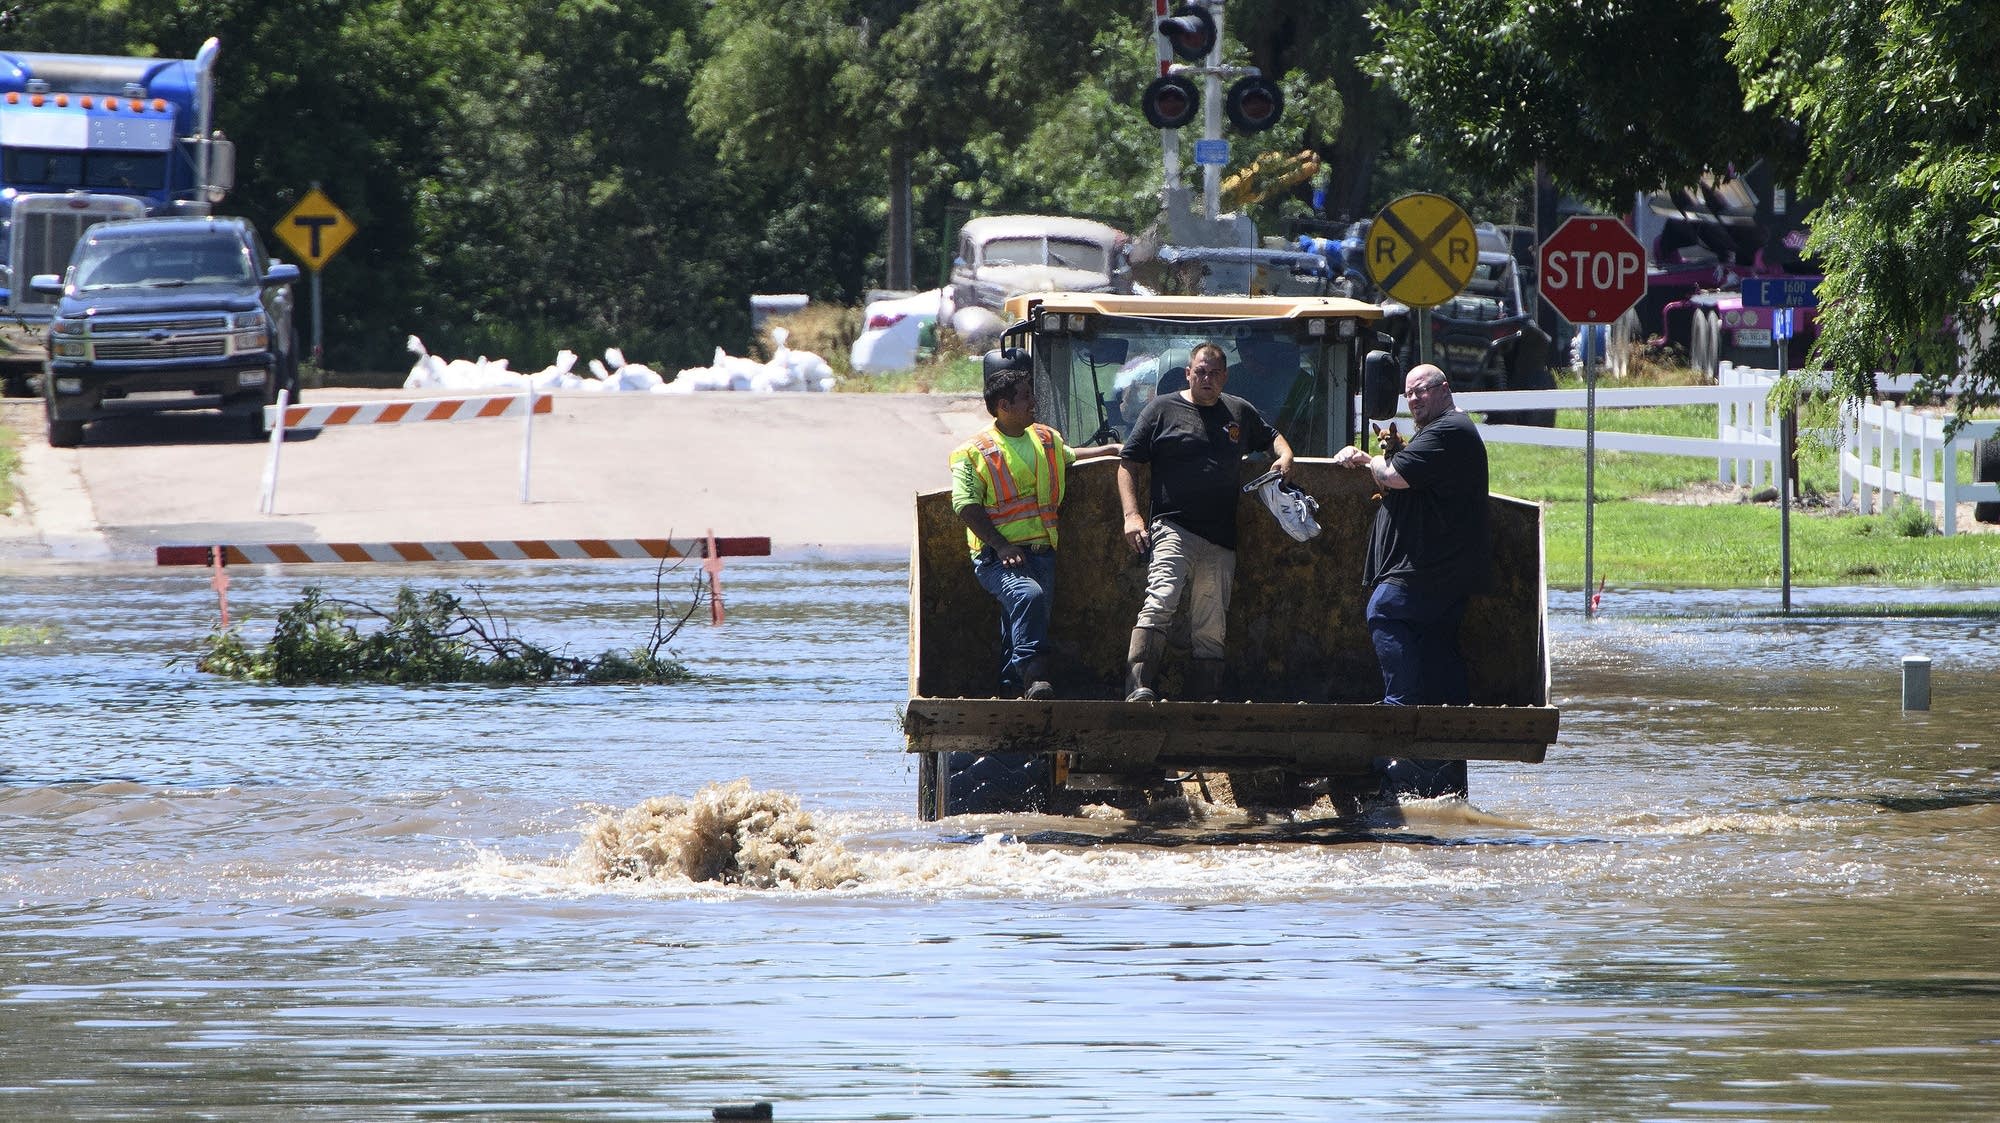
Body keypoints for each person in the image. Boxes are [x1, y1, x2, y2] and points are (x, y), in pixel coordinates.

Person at [1118, 341, 1294, 702]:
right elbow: (1128, 463)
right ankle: (1137, 688)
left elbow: (1273, 437)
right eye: (1201, 371)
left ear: (1225, 376)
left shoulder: (1238, 411)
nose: (1207, 378)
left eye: (1215, 373)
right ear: (1188, 373)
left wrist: (1286, 456)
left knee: (1211, 623)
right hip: (1173, 526)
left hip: (1221, 535)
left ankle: (1204, 702)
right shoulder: (1161, 409)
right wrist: (1132, 515)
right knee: (1161, 598)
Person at [950, 355, 1118, 699]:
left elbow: (1070, 455)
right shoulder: (972, 452)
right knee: (1029, 597)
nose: (1033, 402)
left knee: (1021, 619)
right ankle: (1035, 679)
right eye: (1026, 396)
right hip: (998, 557)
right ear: (1003, 405)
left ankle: (1011, 690)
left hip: (1043, 553)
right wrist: (1001, 546)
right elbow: (965, 505)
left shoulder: (1045, 438)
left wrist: (1112, 449)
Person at [1333, 363, 1491, 710]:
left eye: (1423, 389)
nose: (1415, 398)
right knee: (1435, 640)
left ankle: (1399, 707)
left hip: (1429, 564)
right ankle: (1445, 731)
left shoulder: (1447, 429)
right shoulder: (1439, 430)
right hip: (1439, 563)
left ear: (1445, 389)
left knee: (1385, 611)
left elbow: (1393, 476)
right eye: (1409, 393)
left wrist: (1366, 459)